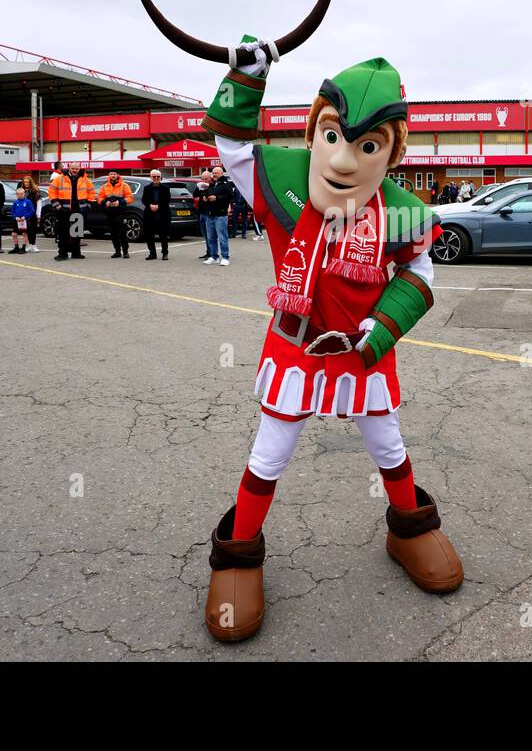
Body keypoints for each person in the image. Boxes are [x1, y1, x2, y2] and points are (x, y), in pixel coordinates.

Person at [195, 40, 459, 643]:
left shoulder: (402, 211)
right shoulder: (282, 178)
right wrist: (246, 76)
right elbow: (231, 143)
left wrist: (378, 330)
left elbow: (420, 275)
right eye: (334, 135)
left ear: (391, 154)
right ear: (315, 129)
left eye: (368, 146)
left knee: (388, 444)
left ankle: (409, 529)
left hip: (362, 352)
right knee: (270, 455)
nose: (343, 161)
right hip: (295, 349)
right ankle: (237, 556)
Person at [48, 162, 93, 261]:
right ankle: (62, 254)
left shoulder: (85, 179)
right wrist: (57, 205)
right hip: (63, 210)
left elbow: (91, 191)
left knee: (77, 233)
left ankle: (76, 253)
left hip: (78, 209)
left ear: (79, 169)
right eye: (73, 168)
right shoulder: (60, 178)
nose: (74, 170)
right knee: (63, 233)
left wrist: (89, 204)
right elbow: (51, 191)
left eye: (76, 169)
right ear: (69, 168)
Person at [202, 165, 234, 266]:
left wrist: (217, 198)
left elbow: (230, 197)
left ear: (221, 173)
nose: (214, 174)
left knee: (222, 237)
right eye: (213, 173)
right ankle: (214, 257)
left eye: (216, 173)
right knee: (211, 237)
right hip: (210, 214)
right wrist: (206, 197)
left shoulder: (226, 184)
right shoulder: (211, 184)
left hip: (220, 214)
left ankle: (225, 257)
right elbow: (208, 193)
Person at [98, 170, 134, 258]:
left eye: (114, 174)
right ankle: (117, 251)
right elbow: (99, 197)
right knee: (113, 233)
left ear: (118, 175)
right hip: (110, 213)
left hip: (120, 212)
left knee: (122, 233)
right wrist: (104, 202)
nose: (113, 175)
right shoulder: (104, 186)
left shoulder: (124, 185)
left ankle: (125, 251)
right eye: (111, 174)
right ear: (108, 175)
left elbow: (130, 198)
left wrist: (119, 202)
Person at [140, 169, 171, 260]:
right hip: (149, 214)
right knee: (149, 235)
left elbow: (167, 200)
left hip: (163, 214)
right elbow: (144, 200)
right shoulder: (147, 188)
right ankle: (152, 254)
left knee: (163, 235)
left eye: (158, 176)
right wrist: (150, 205)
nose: (156, 178)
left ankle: (165, 253)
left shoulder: (166, 188)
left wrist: (158, 206)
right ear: (151, 177)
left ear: (160, 177)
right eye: (154, 176)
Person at [17, 177, 42, 253]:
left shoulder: (35, 191)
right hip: (24, 214)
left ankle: (34, 245)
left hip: (32, 213)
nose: (26, 184)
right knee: (26, 230)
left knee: (33, 230)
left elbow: (39, 203)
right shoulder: (22, 191)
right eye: (25, 182)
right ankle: (30, 245)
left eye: (28, 182)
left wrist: (38, 215)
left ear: (31, 182)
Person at [9, 186, 35, 254]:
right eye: (18, 194)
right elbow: (12, 212)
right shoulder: (15, 202)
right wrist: (15, 217)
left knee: (24, 233)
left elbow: (31, 211)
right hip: (17, 220)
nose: (20, 195)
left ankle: (23, 248)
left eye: (21, 194)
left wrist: (25, 217)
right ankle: (16, 247)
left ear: (24, 194)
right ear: (16, 195)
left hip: (24, 220)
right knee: (14, 234)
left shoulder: (28, 202)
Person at [194, 170, 212, 259]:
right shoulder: (201, 186)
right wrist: (199, 188)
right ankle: (208, 251)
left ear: (210, 178)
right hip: (201, 213)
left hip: (209, 213)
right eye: (203, 179)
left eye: (206, 179)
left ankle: (212, 253)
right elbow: (195, 194)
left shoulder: (212, 186)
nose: (205, 181)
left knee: (210, 234)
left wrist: (207, 188)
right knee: (205, 234)